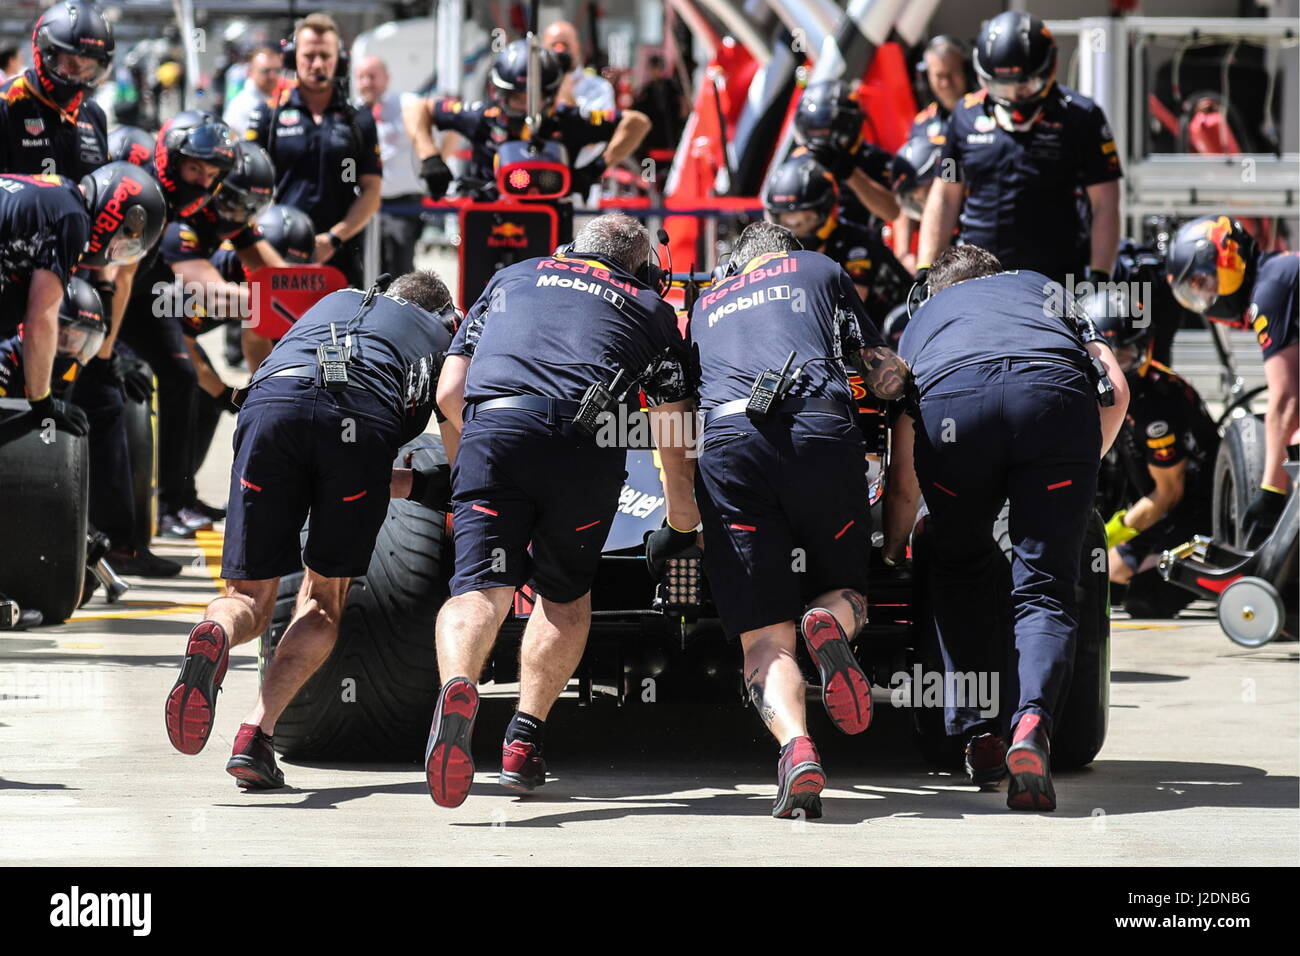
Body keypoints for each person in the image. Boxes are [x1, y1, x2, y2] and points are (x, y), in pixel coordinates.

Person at [425, 214, 692, 808]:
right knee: (564, 595)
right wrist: (682, 519)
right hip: (585, 441)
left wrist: (480, 458)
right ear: (642, 268)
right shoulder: (652, 309)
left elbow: (448, 392)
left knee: (479, 590)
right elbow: (675, 429)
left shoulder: (512, 276)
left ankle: (458, 688)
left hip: (494, 428)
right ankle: (523, 740)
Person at [163, 271, 456, 788]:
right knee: (322, 602)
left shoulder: (335, 302)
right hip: (359, 413)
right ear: (446, 317)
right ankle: (255, 734)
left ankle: (216, 634)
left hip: (268, 405)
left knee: (248, 599)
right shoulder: (442, 337)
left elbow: (275, 365)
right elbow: (458, 443)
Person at [668, 221, 909, 819]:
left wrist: (683, 506)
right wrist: (906, 383)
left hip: (728, 440)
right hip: (818, 426)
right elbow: (880, 372)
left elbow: (679, 405)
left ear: (737, 263)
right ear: (787, 254)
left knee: (764, 637)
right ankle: (830, 622)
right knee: (846, 587)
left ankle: (797, 749)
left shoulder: (706, 304)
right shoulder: (818, 269)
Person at [882, 245, 1129, 811]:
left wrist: (893, 551)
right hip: (1054, 400)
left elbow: (902, 475)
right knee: (1045, 588)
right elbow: (1114, 388)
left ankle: (980, 734)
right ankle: (1032, 725)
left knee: (958, 567)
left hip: (956, 408)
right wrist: (1075, 471)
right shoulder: (1042, 288)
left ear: (936, 290)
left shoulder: (924, 319)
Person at [918, 11, 1121, 287]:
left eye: (1024, 86)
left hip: (1055, 281)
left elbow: (1105, 201)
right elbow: (945, 193)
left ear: (1047, 70)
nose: (1013, 96)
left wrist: (1100, 274)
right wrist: (925, 268)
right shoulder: (964, 116)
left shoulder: (1081, 117)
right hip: (976, 278)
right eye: (1001, 86)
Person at [112, 111, 241, 541]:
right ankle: (133, 518)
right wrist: (107, 350)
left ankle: (176, 501)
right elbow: (117, 275)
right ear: (171, 159)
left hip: (145, 293)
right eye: (194, 169)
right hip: (110, 295)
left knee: (183, 378)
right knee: (118, 395)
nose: (202, 182)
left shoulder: (177, 205)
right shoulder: (143, 196)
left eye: (211, 175)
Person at [406, 40, 650, 243]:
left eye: (533, 97)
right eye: (516, 98)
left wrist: (597, 167)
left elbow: (637, 122)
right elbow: (417, 108)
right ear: (501, 93)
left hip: (551, 230)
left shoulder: (567, 120)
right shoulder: (484, 117)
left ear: (550, 94)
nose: (525, 106)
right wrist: (430, 158)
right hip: (488, 225)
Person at [0, 165, 166, 437]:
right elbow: (42, 316)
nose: (116, 250)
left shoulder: (59, 192)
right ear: (118, 215)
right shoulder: (73, 220)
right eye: (123, 241)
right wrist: (42, 401)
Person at [1166, 215, 1298, 547]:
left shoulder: (1271, 290)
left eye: (1202, 282)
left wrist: (1270, 492)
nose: (1205, 298)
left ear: (1224, 258)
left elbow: (1286, 401)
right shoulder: (1278, 276)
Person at [1086, 288, 1219, 618]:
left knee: (1137, 595)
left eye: (1124, 355)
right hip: (1156, 502)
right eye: (1104, 357)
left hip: (1195, 510)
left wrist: (1107, 535)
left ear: (1143, 348)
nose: (1114, 368)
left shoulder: (1155, 406)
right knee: (1102, 578)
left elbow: (1168, 494)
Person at [246, 12, 382, 288]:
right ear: (292, 57)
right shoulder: (268, 116)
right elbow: (246, 187)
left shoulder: (359, 119)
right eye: (309, 55)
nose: (317, 63)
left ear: (339, 60)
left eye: (326, 55)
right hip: (278, 252)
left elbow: (372, 191)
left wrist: (334, 237)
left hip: (341, 253)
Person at [763, 153, 913, 327]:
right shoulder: (769, 253)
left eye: (805, 220)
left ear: (826, 211)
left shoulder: (858, 244)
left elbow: (842, 310)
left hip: (887, 330)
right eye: (787, 223)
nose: (796, 230)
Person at [0, 1, 113, 182]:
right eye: (71, 64)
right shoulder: (7, 103)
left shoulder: (94, 114)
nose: (80, 77)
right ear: (47, 54)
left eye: (89, 67)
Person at [789, 79, 899, 228]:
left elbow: (894, 212)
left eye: (829, 133)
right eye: (817, 133)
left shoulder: (877, 161)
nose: (823, 141)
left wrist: (849, 173)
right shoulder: (798, 162)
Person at [353, 55, 425, 277]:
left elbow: (444, 135)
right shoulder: (352, 112)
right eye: (361, 77)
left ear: (387, 77)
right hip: (362, 205)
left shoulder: (408, 106)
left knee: (399, 269)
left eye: (372, 76)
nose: (367, 82)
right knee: (362, 268)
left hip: (401, 204)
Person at [632, 54, 687, 165]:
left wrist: (683, 115)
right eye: (653, 68)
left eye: (657, 68)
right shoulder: (646, 90)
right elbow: (638, 108)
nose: (655, 72)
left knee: (672, 162)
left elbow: (682, 105)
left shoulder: (672, 86)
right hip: (653, 134)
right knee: (651, 164)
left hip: (671, 130)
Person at [221, 46, 281, 137]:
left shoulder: (278, 98)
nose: (272, 76)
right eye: (266, 71)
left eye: (277, 70)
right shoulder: (242, 105)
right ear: (250, 71)